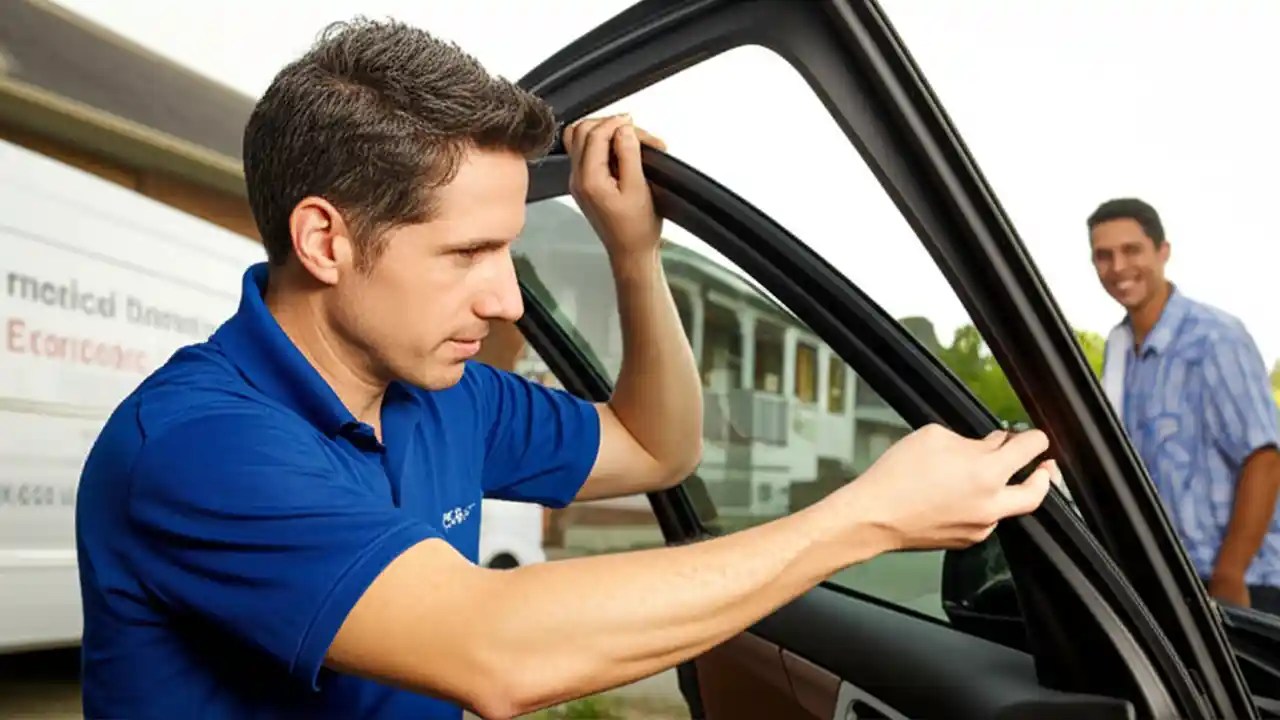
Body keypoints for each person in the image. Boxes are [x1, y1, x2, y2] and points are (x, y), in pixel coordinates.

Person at [75, 18, 1057, 720]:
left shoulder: (442, 394)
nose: (505, 302)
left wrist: (634, 255)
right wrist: (866, 516)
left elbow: (654, 448)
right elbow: (491, 651)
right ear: (325, 240)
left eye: (510, 250)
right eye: (465, 254)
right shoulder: (196, 447)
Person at [1091, 197, 1280, 612]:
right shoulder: (1120, 352)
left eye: (1131, 250)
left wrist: (1231, 577)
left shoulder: (1215, 338)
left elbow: (1264, 459)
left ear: (1163, 252)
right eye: (1103, 256)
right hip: (1172, 585)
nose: (1118, 267)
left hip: (1245, 587)